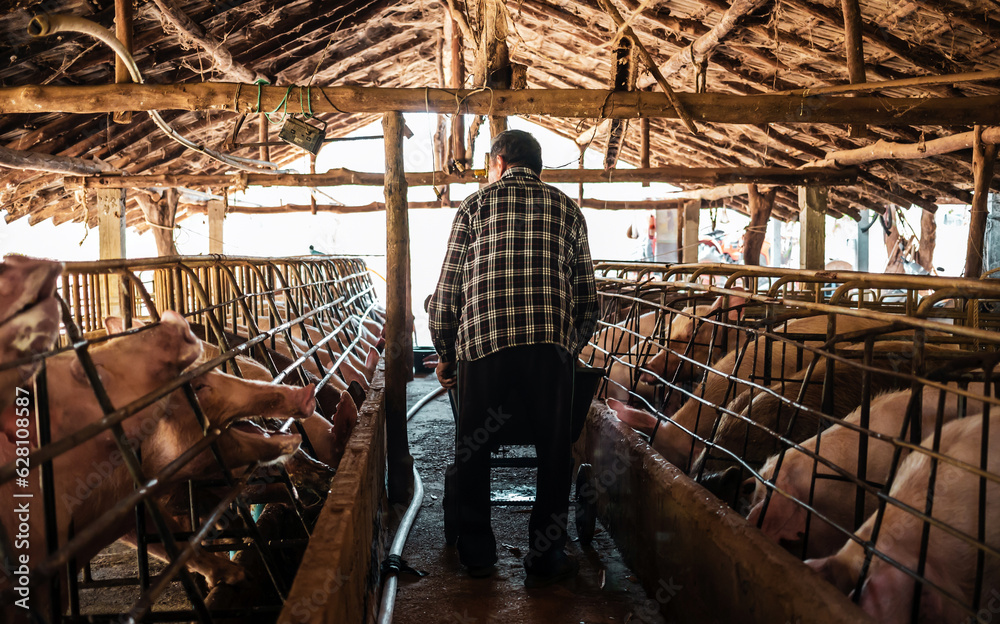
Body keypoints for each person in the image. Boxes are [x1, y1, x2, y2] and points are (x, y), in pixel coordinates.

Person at [428, 129, 599, 587]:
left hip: (483, 349)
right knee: (554, 453)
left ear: (499, 163)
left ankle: (478, 554)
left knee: (473, 449)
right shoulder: (567, 209)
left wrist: (446, 354)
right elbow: (588, 299)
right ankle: (546, 558)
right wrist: (568, 349)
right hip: (549, 351)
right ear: (538, 167)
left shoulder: (474, 206)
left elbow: (447, 293)